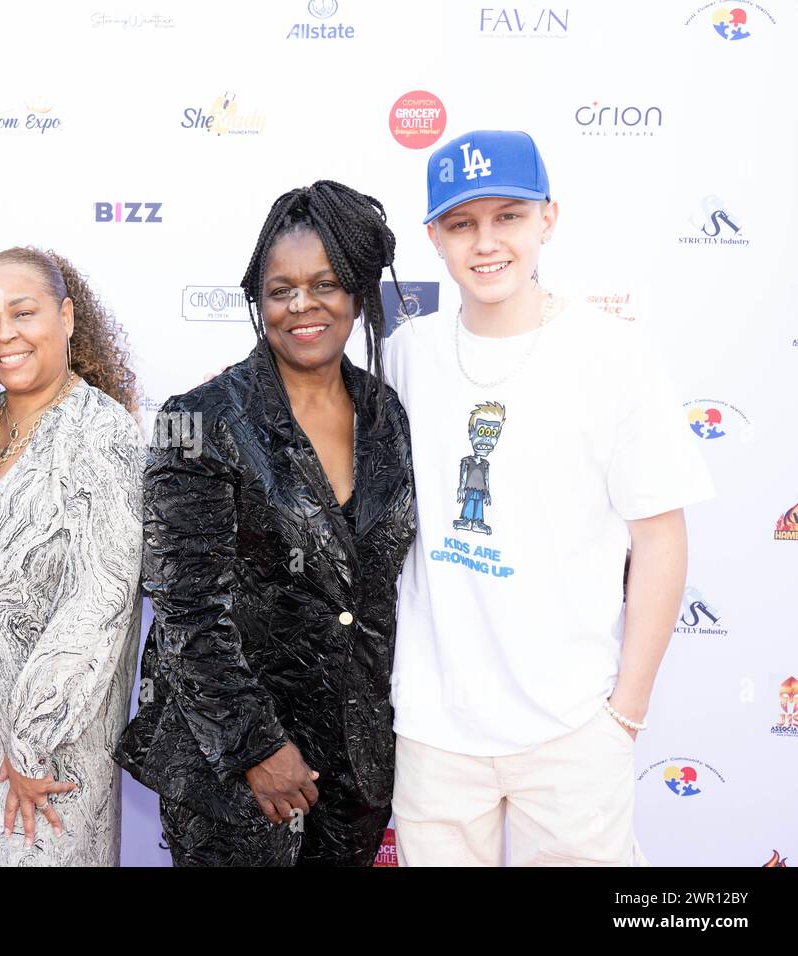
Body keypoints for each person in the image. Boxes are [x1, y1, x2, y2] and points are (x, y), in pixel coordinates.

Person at [383, 130, 715, 866]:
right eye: (463, 223)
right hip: (436, 732)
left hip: (571, 727)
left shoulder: (615, 355)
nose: (487, 242)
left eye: (509, 216)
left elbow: (660, 536)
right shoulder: (408, 352)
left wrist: (625, 711)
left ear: (548, 220)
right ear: (434, 236)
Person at [115, 182, 416, 867]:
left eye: (326, 284)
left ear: (360, 293)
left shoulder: (389, 413)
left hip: (357, 773)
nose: (303, 305)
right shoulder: (199, 419)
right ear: (257, 299)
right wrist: (257, 747)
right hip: (233, 780)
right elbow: (187, 607)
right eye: (281, 289)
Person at [0, 247, 143, 866]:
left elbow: (101, 602)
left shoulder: (102, 435)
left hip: (44, 766)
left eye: (23, 312)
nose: (3, 333)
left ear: (66, 318)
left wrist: (30, 745)